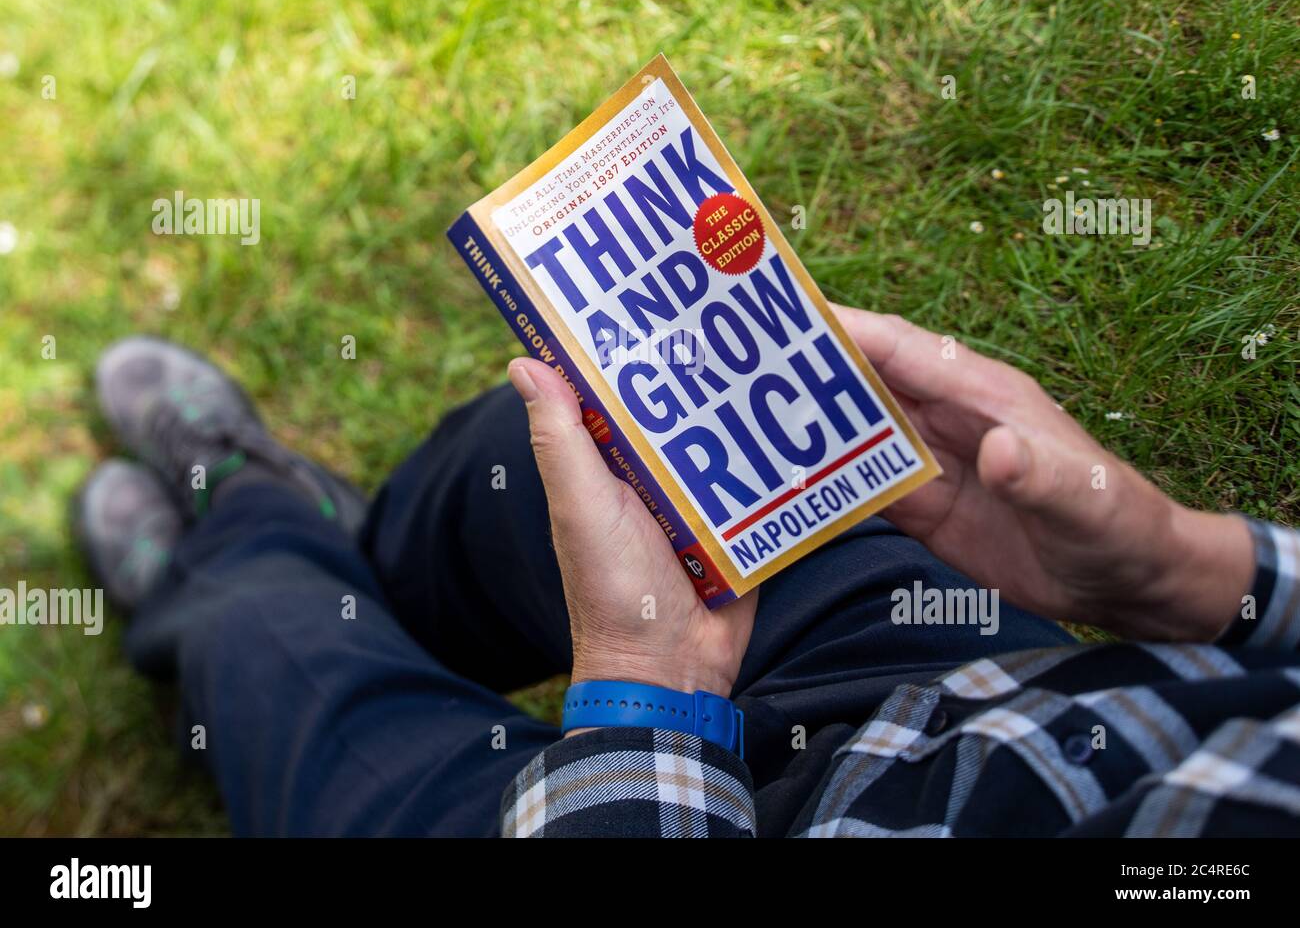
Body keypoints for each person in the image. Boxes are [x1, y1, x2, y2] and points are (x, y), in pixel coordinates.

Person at [75, 307, 1300, 837]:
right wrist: (1191, 575)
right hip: (977, 717)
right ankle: (337, 548)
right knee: (555, 457)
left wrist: (647, 690)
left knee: (300, 680)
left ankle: (235, 544)